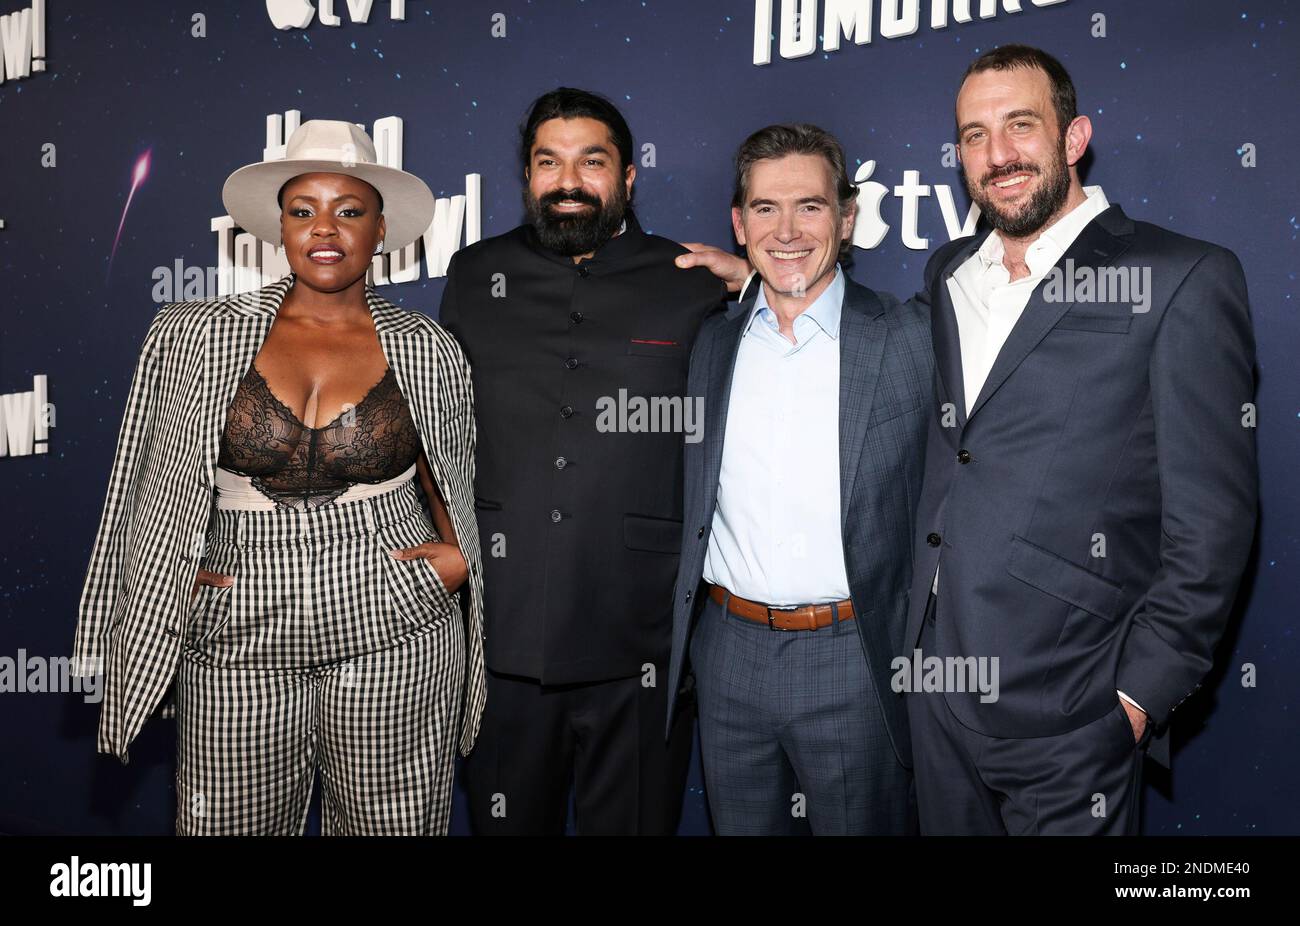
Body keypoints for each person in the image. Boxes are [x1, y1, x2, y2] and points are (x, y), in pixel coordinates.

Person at [71, 119, 486, 835]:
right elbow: (141, 484)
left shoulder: (428, 347)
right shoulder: (193, 333)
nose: (325, 228)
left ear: (381, 228)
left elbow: (449, 481)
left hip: (394, 619)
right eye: (303, 210)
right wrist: (166, 576)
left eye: (349, 210)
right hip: (237, 623)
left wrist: (452, 564)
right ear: (280, 226)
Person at [898, 45, 1258, 834]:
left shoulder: (1179, 277)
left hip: (1071, 715)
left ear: (1073, 137)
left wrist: (1135, 701)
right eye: (973, 136)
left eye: (1020, 126)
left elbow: (1214, 524)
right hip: (936, 696)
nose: (997, 156)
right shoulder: (948, 273)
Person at [438, 88, 726, 835]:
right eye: (548, 162)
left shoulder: (693, 278)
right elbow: (439, 432)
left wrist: (756, 282)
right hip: (501, 634)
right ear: (527, 176)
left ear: (628, 177)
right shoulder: (474, 274)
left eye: (591, 162)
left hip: (642, 641)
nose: (568, 181)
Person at [664, 124, 929, 835]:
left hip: (854, 658)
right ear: (738, 221)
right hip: (725, 657)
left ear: (846, 219)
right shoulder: (710, 341)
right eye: (765, 209)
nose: (786, 230)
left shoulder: (909, 338)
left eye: (810, 207)